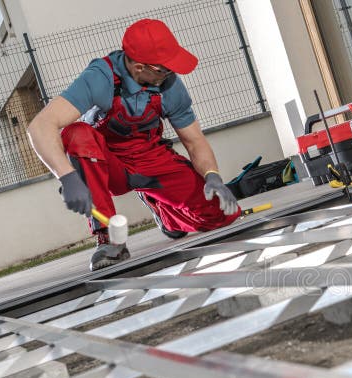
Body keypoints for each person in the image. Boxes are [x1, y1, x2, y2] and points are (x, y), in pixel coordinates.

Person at [27, 18, 240, 271]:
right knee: (77, 133)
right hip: (106, 163)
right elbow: (41, 126)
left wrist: (212, 176)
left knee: (223, 215)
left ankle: (167, 217)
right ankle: (110, 239)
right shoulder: (100, 77)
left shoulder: (168, 85)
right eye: (165, 69)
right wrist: (68, 177)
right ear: (140, 67)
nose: (171, 74)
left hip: (150, 159)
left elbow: (194, 141)